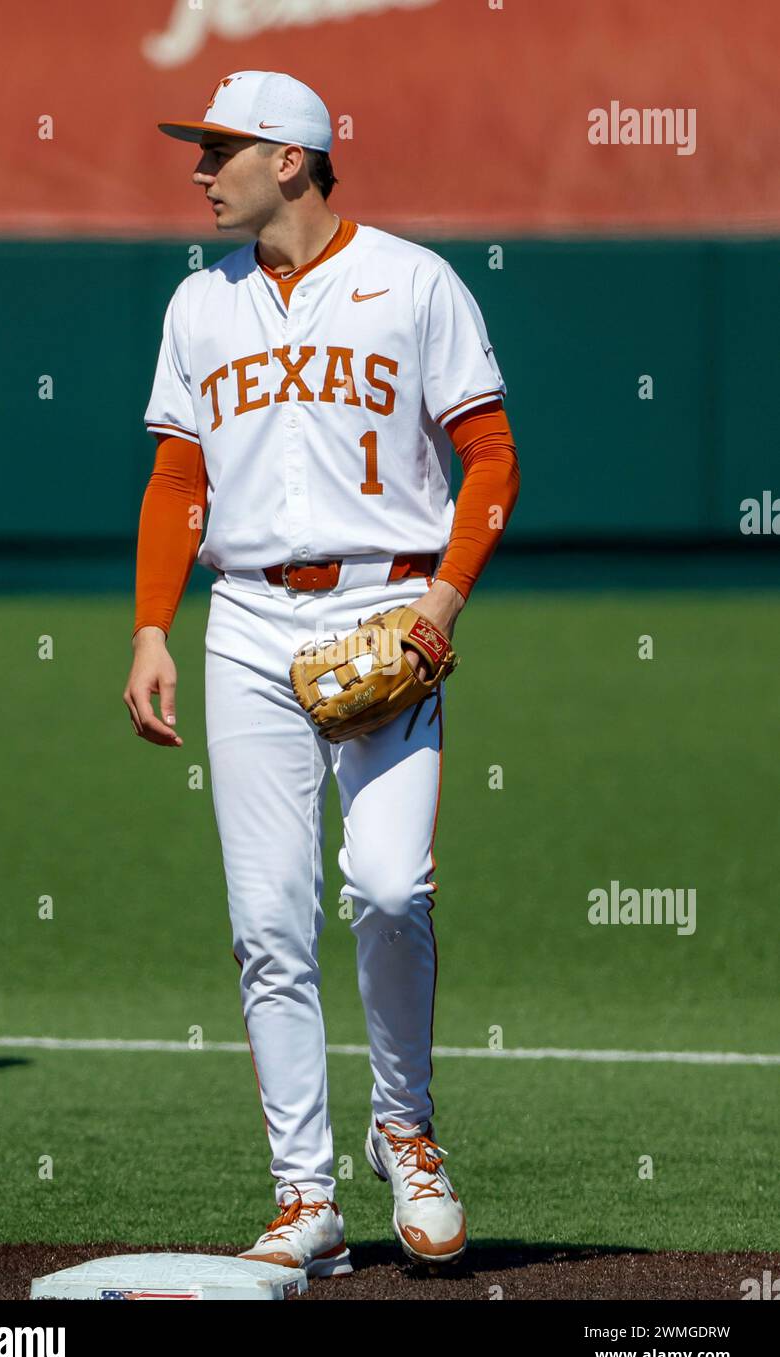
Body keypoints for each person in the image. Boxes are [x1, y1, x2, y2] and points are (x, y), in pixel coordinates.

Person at [123, 70, 520, 1277]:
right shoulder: (201, 307)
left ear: (289, 158)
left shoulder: (411, 282)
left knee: (391, 888)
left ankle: (404, 1127)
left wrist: (437, 606)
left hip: (388, 608)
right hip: (244, 618)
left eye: (219, 151)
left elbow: (489, 455)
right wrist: (151, 628)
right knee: (266, 923)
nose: (199, 170)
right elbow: (178, 483)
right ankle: (306, 1196)